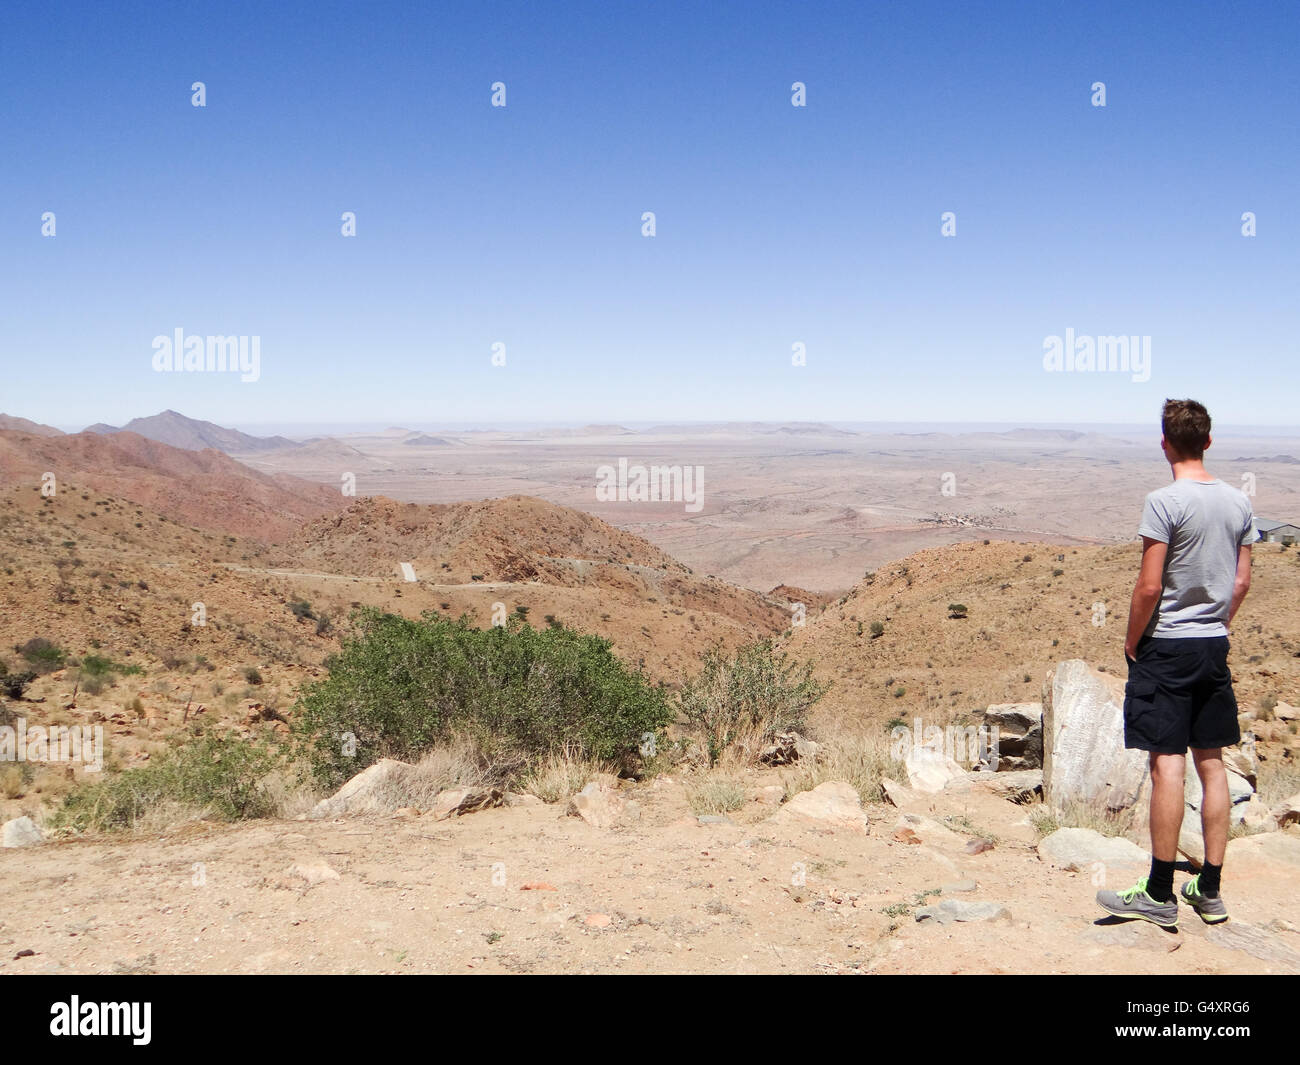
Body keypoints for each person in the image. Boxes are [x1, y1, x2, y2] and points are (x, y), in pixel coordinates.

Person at [1096, 399, 1255, 927]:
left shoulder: (1162, 501)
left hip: (1166, 645)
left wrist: (1132, 641)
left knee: (1167, 764)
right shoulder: (1238, 502)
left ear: (1163, 442)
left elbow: (1148, 585)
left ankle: (1160, 893)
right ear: (1208, 441)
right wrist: (1219, 624)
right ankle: (1208, 889)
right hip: (1213, 645)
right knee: (1211, 765)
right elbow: (1240, 581)